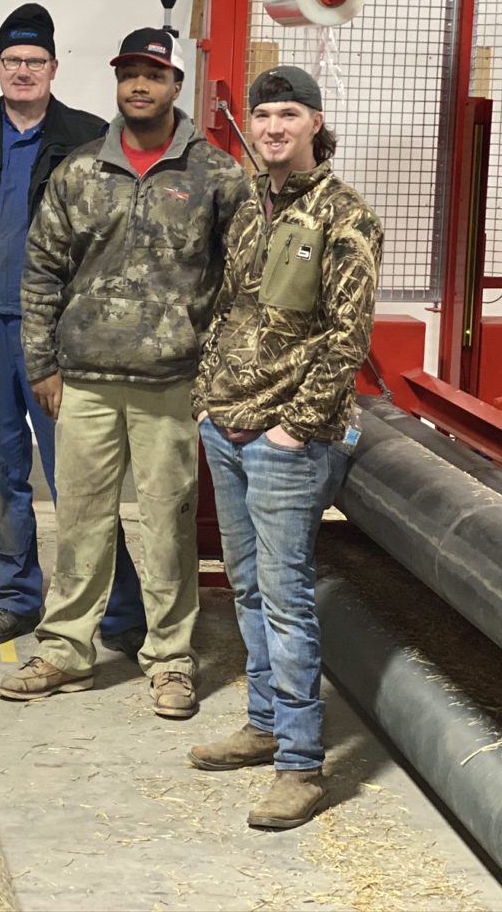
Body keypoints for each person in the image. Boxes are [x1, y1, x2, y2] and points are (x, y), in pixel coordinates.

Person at [1, 28, 245, 719]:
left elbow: (240, 282)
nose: (139, 86)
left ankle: (170, 659)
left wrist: (215, 373)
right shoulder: (80, 172)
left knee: (167, 524)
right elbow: (42, 269)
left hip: (170, 385)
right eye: (128, 74)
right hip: (85, 382)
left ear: (175, 86)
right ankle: (66, 649)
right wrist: (43, 364)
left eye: (153, 75)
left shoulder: (216, 175)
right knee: (80, 520)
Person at [187, 65, 382, 829]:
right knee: (247, 587)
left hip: (288, 442)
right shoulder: (246, 208)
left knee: (289, 599)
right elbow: (226, 310)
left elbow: (348, 336)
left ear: (315, 124)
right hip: (227, 426)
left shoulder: (346, 216)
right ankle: (265, 723)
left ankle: (302, 763)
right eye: (263, 113)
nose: (272, 127)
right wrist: (210, 400)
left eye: (288, 114)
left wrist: (295, 426)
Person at [0, 3, 146, 649]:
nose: (24, 71)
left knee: (78, 476)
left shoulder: (85, 134)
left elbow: (111, 239)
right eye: (13, 61)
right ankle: (17, 598)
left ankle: (118, 610)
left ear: (53, 67)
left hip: (58, 334)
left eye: (35, 62)